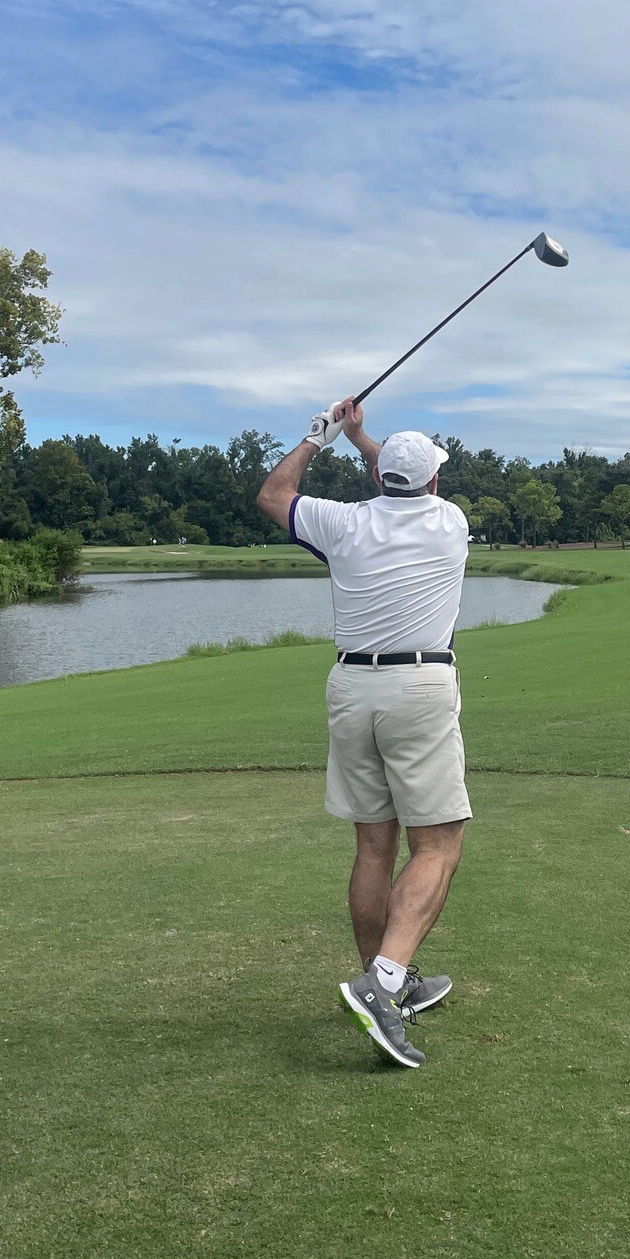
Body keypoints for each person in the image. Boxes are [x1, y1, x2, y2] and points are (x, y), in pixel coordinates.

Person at [256, 399, 472, 1069]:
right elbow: (402, 478)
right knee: (437, 844)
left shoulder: (343, 522)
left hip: (351, 687)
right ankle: (382, 983)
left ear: (380, 480)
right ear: (434, 479)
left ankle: (388, 983)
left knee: (374, 845)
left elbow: (273, 494)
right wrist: (361, 440)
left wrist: (319, 438)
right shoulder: (449, 521)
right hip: (419, 687)